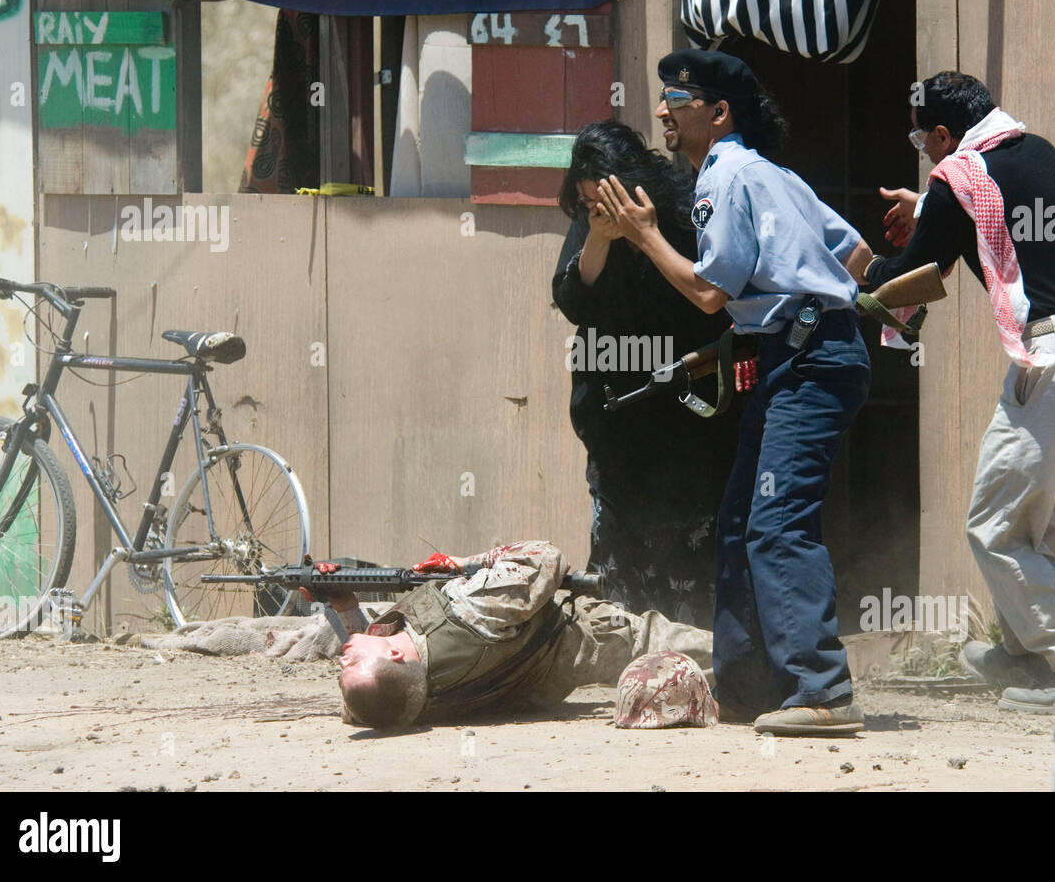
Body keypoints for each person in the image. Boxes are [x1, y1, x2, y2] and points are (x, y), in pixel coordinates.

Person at [597, 49, 871, 736]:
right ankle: (750, 687)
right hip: (807, 355)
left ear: (717, 114)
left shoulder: (724, 177)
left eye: (678, 99)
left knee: (775, 526)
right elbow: (857, 255)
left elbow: (709, 290)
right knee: (742, 524)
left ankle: (822, 693)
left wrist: (645, 234)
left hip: (808, 366)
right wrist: (784, 316)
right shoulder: (772, 175)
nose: (661, 109)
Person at [846, 71, 1055, 712]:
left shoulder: (957, 177)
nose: (924, 152)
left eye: (923, 139)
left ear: (945, 135)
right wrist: (927, 210)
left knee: (994, 520)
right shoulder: (1031, 151)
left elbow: (901, 277)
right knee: (1025, 506)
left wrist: (849, 262)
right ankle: (1027, 653)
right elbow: (1000, 215)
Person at [552, 120, 742, 627]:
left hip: (687, 407)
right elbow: (571, 299)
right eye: (590, 200)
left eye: (605, 199)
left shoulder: (683, 209)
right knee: (620, 529)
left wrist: (646, 234)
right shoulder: (591, 220)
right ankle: (625, 641)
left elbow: (710, 298)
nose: (600, 207)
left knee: (691, 530)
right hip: (615, 406)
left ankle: (696, 643)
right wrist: (597, 238)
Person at [328, 541, 713, 728]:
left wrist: (345, 606)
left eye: (345, 664)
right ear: (395, 655)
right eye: (355, 661)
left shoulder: (410, 702)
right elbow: (546, 558)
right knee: (739, 663)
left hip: (555, 674)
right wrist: (464, 563)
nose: (343, 657)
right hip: (607, 639)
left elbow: (375, 697)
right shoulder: (471, 611)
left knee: (728, 680)